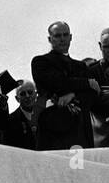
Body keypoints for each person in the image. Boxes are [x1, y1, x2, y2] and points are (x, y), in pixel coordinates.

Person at [32, 21, 101, 150]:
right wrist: (85, 83)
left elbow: (92, 94)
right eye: (57, 36)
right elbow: (56, 82)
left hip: (79, 130)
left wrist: (73, 94)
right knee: (53, 168)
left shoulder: (80, 66)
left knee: (77, 168)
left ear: (70, 37)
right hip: (53, 129)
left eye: (65, 35)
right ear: (50, 39)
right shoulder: (40, 62)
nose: (62, 39)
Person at [5, 81, 41, 150]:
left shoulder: (44, 115)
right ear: (17, 98)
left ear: (36, 94)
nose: (27, 96)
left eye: (30, 92)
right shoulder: (11, 120)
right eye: (23, 94)